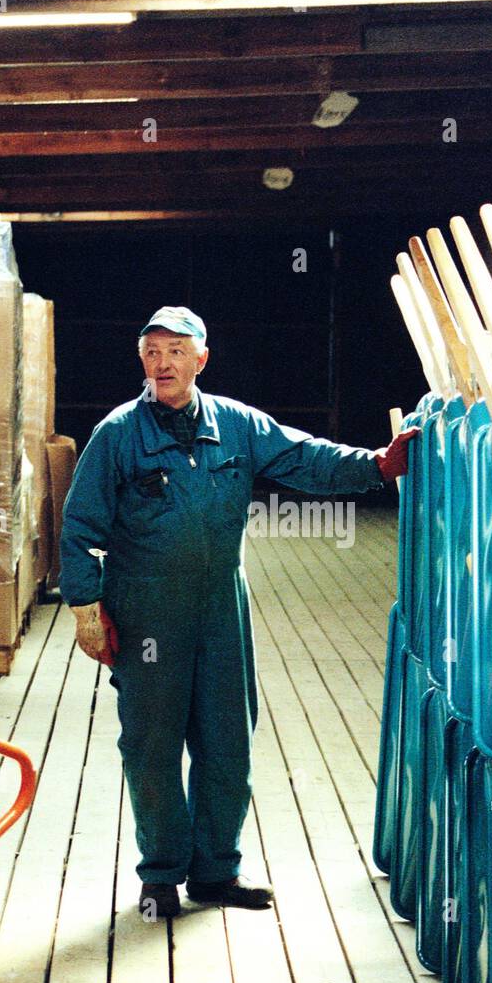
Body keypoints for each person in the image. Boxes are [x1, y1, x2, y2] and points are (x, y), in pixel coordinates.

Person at [59, 306, 417, 920]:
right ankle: (162, 874)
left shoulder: (238, 426)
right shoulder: (118, 435)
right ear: (141, 361)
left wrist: (377, 466)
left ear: (201, 359)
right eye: (151, 352)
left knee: (228, 741)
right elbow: (79, 525)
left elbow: (305, 459)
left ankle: (217, 872)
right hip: (147, 612)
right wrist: (86, 606)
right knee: (151, 743)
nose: (162, 363)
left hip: (224, 606)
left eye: (176, 351)